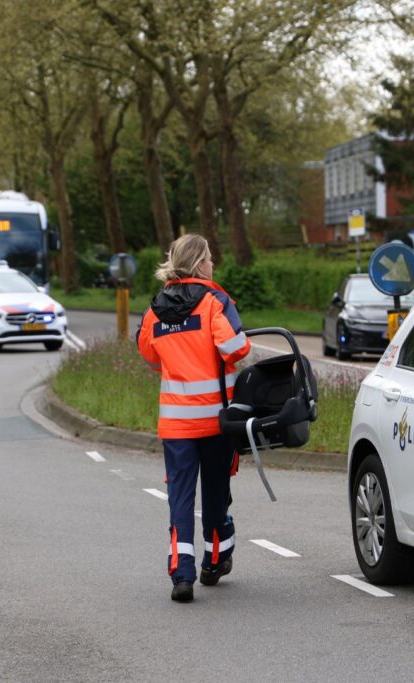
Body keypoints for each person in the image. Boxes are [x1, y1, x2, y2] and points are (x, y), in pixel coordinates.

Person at [136, 234, 252, 603]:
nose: (213, 263)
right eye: (210, 257)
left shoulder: (155, 308)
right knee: (216, 493)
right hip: (217, 421)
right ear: (200, 262)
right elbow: (236, 348)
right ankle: (215, 560)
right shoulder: (215, 302)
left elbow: (149, 354)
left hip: (176, 423)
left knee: (180, 498)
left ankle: (181, 574)